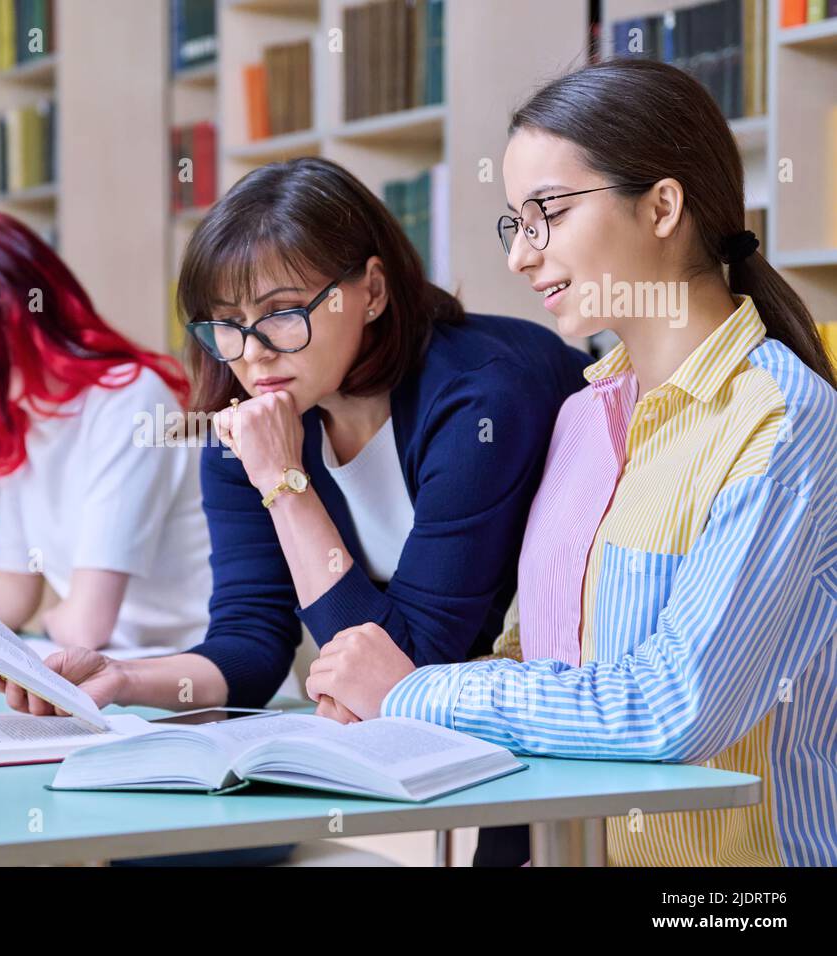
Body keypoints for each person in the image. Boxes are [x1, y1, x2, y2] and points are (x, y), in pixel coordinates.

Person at [0, 157, 590, 866]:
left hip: (566, 689)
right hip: (479, 710)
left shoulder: (478, 398)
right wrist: (123, 679)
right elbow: (253, 639)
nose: (254, 354)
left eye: (282, 314)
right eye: (229, 326)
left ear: (371, 290)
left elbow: (408, 669)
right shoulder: (251, 426)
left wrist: (285, 484)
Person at [307, 59, 837, 867]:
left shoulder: (781, 419)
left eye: (546, 212)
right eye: (514, 223)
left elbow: (676, 708)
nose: (522, 255)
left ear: (663, 206)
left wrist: (413, 691)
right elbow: (537, 658)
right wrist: (397, 713)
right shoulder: (582, 418)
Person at [0, 210, 211, 866]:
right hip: (89, 695)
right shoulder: (22, 416)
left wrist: (9, 632)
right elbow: (17, 591)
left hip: (169, 695)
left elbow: (86, 625)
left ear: (6, 323)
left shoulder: (133, 400)